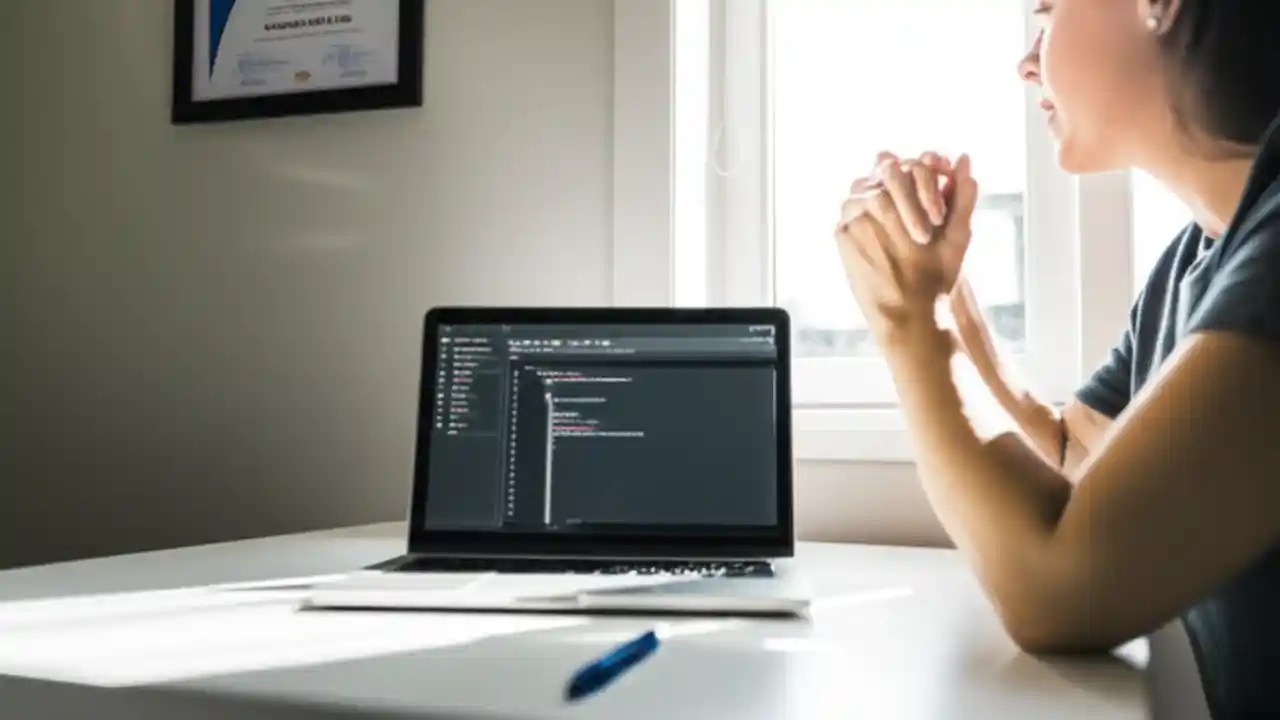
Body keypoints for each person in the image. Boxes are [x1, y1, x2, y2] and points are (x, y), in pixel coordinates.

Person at [832, 1, 1280, 718]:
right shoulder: (1196, 260)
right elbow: (1072, 450)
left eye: (1047, 15)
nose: (1028, 60)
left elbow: (1058, 591)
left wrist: (904, 321)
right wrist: (944, 292)